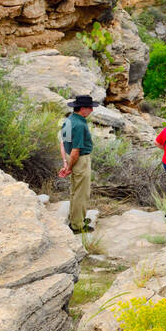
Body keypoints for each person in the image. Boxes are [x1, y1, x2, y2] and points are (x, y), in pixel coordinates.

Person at [58, 95, 95, 234]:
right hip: (80, 160)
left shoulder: (69, 120)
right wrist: (70, 166)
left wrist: (65, 163)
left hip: (70, 158)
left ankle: (75, 218)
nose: (91, 110)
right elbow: (76, 150)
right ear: (83, 109)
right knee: (81, 193)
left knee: (75, 190)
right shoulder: (79, 124)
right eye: (90, 107)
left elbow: (63, 143)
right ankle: (77, 225)